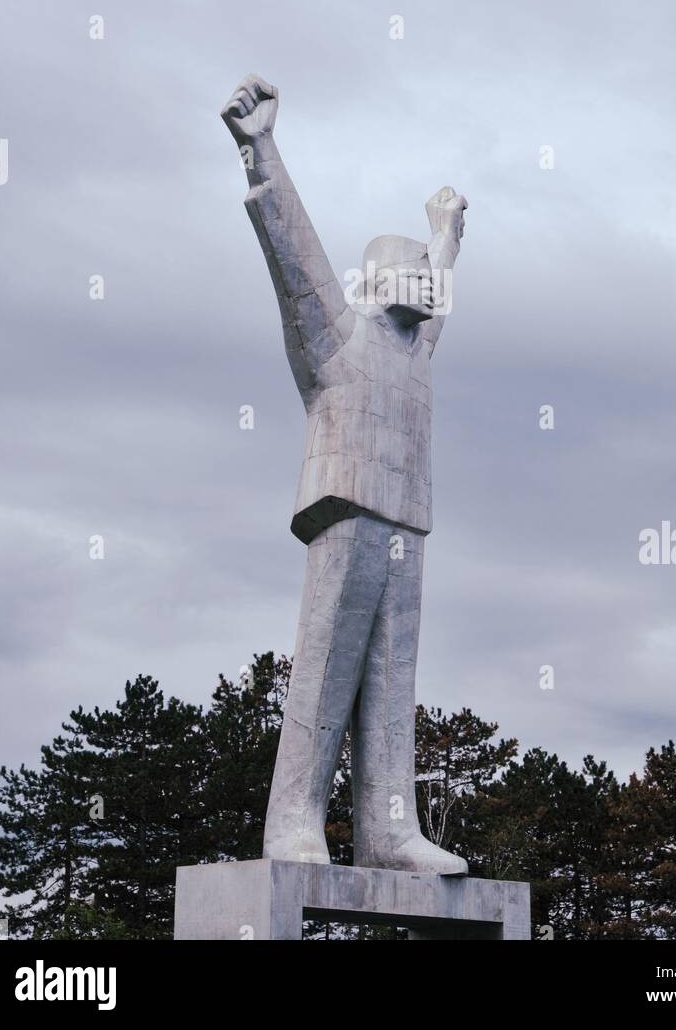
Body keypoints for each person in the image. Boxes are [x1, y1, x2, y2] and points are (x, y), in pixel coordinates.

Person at [222, 74, 468, 874]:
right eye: (416, 271)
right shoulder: (338, 337)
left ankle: (389, 833)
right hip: (348, 514)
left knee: (394, 688)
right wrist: (261, 149)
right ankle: (294, 821)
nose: (429, 284)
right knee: (327, 669)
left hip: (407, 524)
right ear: (374, 285)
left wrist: (447, 235)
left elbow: (439, 298)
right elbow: (293, 255)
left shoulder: (416, 358)